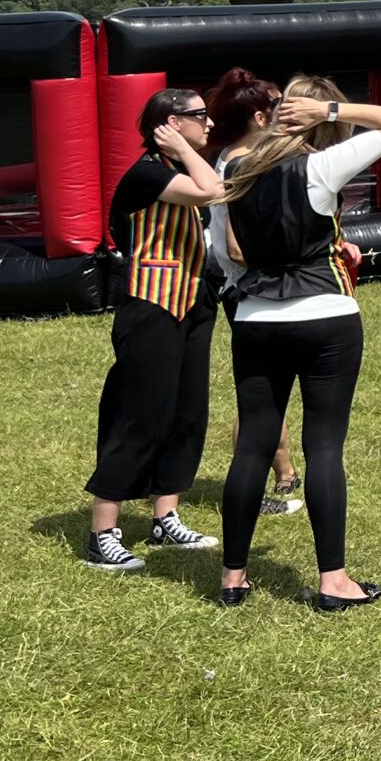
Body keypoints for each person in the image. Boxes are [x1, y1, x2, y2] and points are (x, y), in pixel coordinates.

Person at [214, 76, 381, 610]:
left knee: (252, 445)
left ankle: (232, 577)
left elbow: (235, 247)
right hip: (325, 314)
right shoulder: (323, 165)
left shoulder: (235, 166)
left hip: (256, 315)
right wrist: (332, 111)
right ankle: (334, 581)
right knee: (323, 446)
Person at [83, 88, 226, 571]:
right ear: (171, 123)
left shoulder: (183, 168)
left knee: (187, 413)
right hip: (151, 303)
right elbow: (212, 191)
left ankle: (166, 517)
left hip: (193, 302)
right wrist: (182, 147)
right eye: (200, 115)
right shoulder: (147, 172)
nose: (210, 124)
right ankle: (102, 532)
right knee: (139, 414)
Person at [204, 69, 302, 518]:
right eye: (279, 107)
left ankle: (283, 470)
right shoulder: (241, 164)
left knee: (269, 390)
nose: (288, 113)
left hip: (250, 287)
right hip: (248, 288)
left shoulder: (241, 155)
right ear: (260, 118)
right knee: (260, 396)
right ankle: (253, 487)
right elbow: (235, 247)